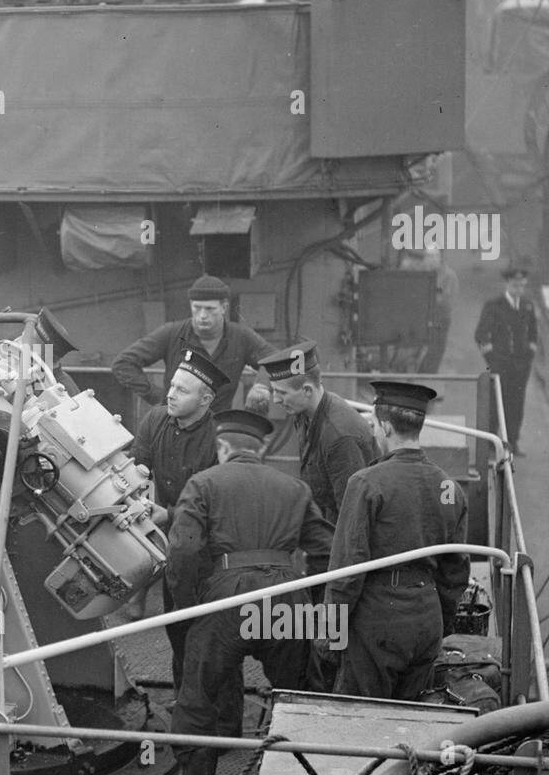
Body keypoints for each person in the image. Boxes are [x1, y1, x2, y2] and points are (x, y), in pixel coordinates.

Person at [152, 410, 334, 775]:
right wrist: (315, 602)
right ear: (261, 448)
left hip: (228, 600)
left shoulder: (204, 483)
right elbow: (327, 549)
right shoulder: (295, 487)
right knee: (297, 691)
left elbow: (182, 548)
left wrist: (189, 605)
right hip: (287, 596)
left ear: (222, 448)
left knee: (199, 692)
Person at [325, 382, 469, 702]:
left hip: (379, 618)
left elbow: (348, 568)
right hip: (427, 618)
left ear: (386, 426)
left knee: (364, 715)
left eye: (375, 425)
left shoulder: (366, 482)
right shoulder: (450, 487)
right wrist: (439, 623)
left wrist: (331, 632)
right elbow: (456, 571)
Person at [123, 350, 227, 675]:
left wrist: (166, 514)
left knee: (208, 633)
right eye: (171, 385)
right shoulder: (156, 419)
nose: (170, 393)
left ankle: (205, 705)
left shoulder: (218, 439)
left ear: (206, 399)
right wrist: (134, 481)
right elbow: (138, 462)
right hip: (172, 545)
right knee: (177, 629)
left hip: (207, 552)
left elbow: (216, 508)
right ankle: (185, 697)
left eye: (182, 390)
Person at [112, 275, 272, 415]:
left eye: (210, 309)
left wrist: (262, 386)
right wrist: (157, 396)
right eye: (197, 308)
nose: (202, 315)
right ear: (191, 306)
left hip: (215, 428)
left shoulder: (241, 337)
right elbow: (123, 363)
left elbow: (278, 361)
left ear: (224, 307)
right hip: (173, 426)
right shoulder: (172, 333)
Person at [260, 341, 378, 525]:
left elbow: (352, 515)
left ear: (307, 390)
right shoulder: (305, 413)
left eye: (281, 393)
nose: (275, 399)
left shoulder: (340, 436)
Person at [473, 264, 538, 456]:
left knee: (516, 405)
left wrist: (530, 353)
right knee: (495, 404)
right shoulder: (494, 306)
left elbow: (533, 333)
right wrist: (493, 359)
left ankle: (512, 443)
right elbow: (481, 335)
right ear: (507, 283)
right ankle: (491, 444)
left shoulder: (527, 305)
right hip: (500, 365)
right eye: (515, 285)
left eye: (522, 285)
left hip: (521, 367)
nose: (519, 289)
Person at [397, 244, 458, 373]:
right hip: (419, 321)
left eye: (433, 256)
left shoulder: (449, 276)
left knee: (433, 355)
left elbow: (446, 302)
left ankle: (427, 378)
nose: (430, 259)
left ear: (440, 257)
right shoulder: (421, 271)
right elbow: (404, 271)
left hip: (439, 322)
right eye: (428, 256)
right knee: (411, 355)